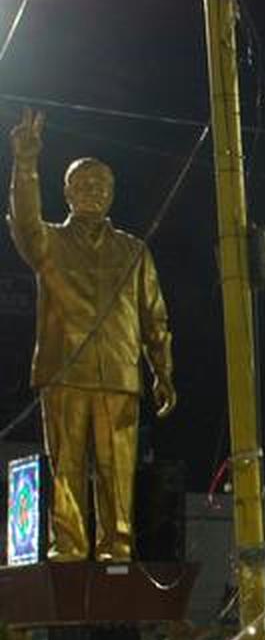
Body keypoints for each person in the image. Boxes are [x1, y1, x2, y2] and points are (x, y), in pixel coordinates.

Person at [7, 108, 175, 562]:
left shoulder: (134, 251)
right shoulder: (50, 243)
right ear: (66, 193)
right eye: (83, 186)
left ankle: (116, 548)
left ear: (113, 194)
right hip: (64, 370)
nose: (93, 192)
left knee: (116, 471)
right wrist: (25, 165)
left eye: (101, 186)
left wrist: (163, 373)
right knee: (67, 466)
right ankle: (69, 545)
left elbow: (154, 317)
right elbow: (23, 224)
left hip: (120, 375)